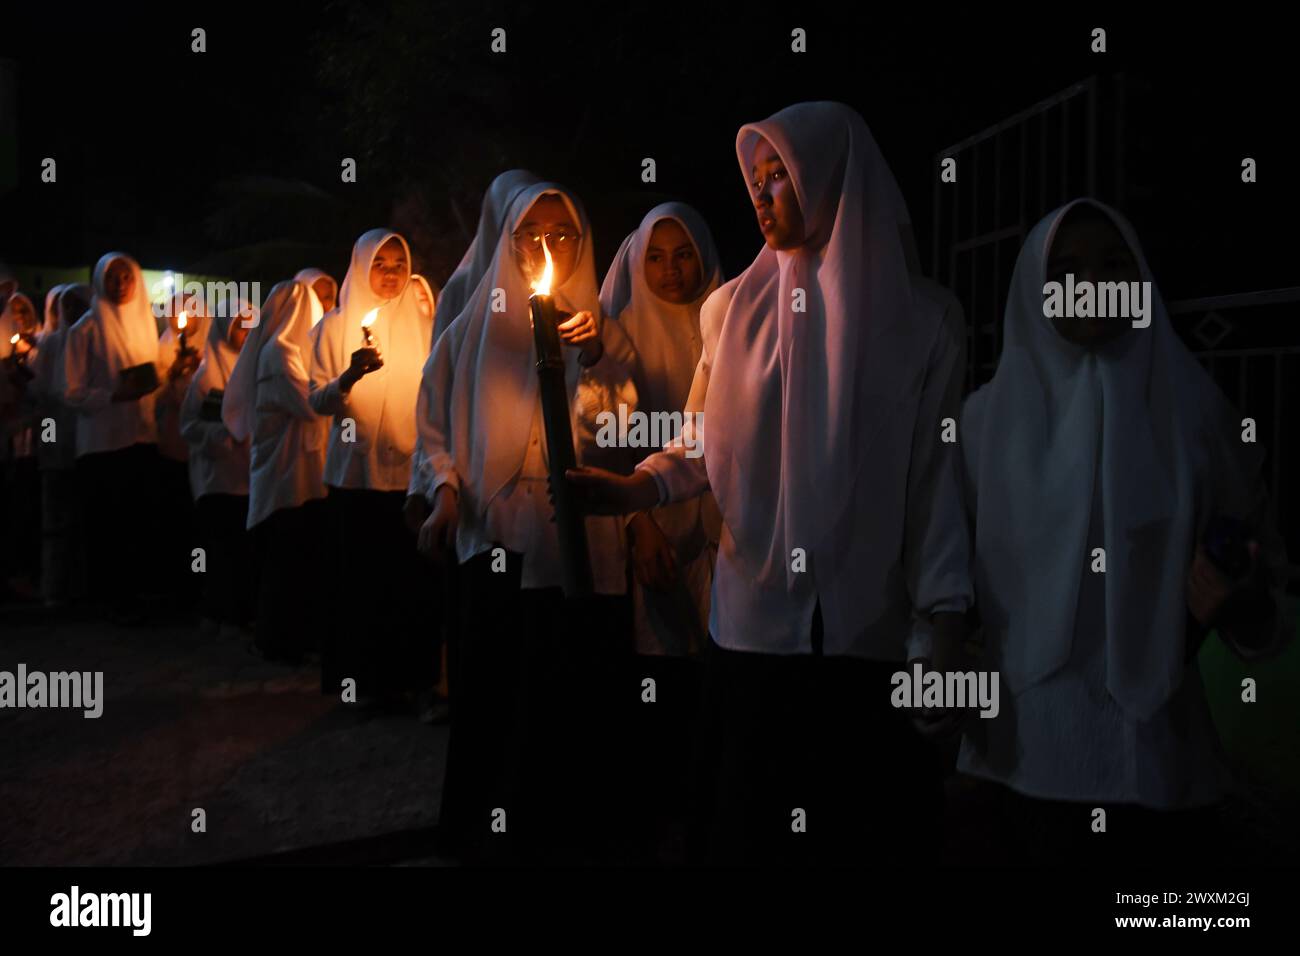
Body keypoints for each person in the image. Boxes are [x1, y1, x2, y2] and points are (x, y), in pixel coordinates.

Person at [568, 102, 970, 865]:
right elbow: (698, 437)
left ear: (833, 177)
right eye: (754, 179)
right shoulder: (730, 311)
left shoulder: (925, 323)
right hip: (751, 625)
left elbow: (933, 482)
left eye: (780, 174)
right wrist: (638, 488)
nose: (761, 193)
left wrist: (942, 623)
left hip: (863, 635)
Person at [946, 199, 1290, 865]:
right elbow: (939, 585)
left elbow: (1262, 609)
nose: (1092, 283)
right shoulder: (982, 428)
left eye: (1113, 264)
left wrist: (1237, 599)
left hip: (1164, 773)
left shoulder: (1198, 416)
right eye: (1067, 268)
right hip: (1022, 764)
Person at [416, 180, 637, 863]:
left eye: (562, 235)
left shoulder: (603, 331)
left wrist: (599, 357)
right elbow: (433, 430)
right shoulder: (467, 334)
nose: (547, 248)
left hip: (578, 545)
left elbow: (622, 425)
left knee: (567, 689)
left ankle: (567, 832)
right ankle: (489, 833)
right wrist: (446, 492)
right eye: (531, 236)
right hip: (500, 537)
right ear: (507, 242)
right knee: (497, 690)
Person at [599, 202, 724, 859]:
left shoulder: (732, 322)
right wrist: (639, 522)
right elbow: (610, 441)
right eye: (656, 255)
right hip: (649, 518)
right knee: (659, 672)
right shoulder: (617, 337)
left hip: (722, 530)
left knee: (715, 668)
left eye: (683, 254)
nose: (672, 270)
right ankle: (663, 814)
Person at [308, 230, 435, 706]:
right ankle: (362, 684)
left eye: (398, 263)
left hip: (407, 478)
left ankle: (410, 681)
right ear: (360, 266)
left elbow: (433, 399)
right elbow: (317, 400)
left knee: (408, 585)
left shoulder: (424, 326)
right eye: (379, 264)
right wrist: (349, 376)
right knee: (359, 584)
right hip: (355, 480)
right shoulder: (331, 328)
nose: (390, 273)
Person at [222, 279, 329, 662]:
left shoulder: (290, 353)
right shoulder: (280, 356)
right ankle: (278, 640)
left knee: (293, 561)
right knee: (285, 561)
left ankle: (287, 636)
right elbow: (314, 406)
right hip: (286, 477)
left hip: (293, 475)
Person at [62, 253, 167, 623]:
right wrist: (112, 397)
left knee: (138, 521)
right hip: (103, 443)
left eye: (127, 278)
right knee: (107, 525)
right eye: (113, 278)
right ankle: (108, 600)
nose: (120, 285)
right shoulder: (85, 330)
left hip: (140, 436)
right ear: (100, 282)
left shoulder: (144, 326)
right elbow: (71, 392)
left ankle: (138, 594)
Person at [180, 297, 254, 637]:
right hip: (217, 477)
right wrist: (224, 434)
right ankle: (216, 610)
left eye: (250, 325)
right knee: (219, 549)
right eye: (238, 325)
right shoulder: (206, 374)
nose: (245, 332)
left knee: (242, 550)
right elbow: (189, 425)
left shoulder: (256, 368)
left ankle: (239, 612)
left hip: (250, 476)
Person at [29, 283, 91, 606]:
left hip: (83, 441)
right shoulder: (52, 342)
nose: (71, 313)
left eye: (78, 305)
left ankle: (80, 586)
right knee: (55, 518)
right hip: (57, 441)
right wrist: (50, 445)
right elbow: (41, 392)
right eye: (65, 307)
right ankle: (54, 588)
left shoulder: (89, 339)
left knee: (79, 518)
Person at [0, 291, 43, 601]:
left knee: (27, 509)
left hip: (35, 444)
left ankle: (25, 574)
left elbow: (46, 396)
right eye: (12, 312)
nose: (19, 318)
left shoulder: (44, 348)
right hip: (10, 440)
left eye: (24, 311)